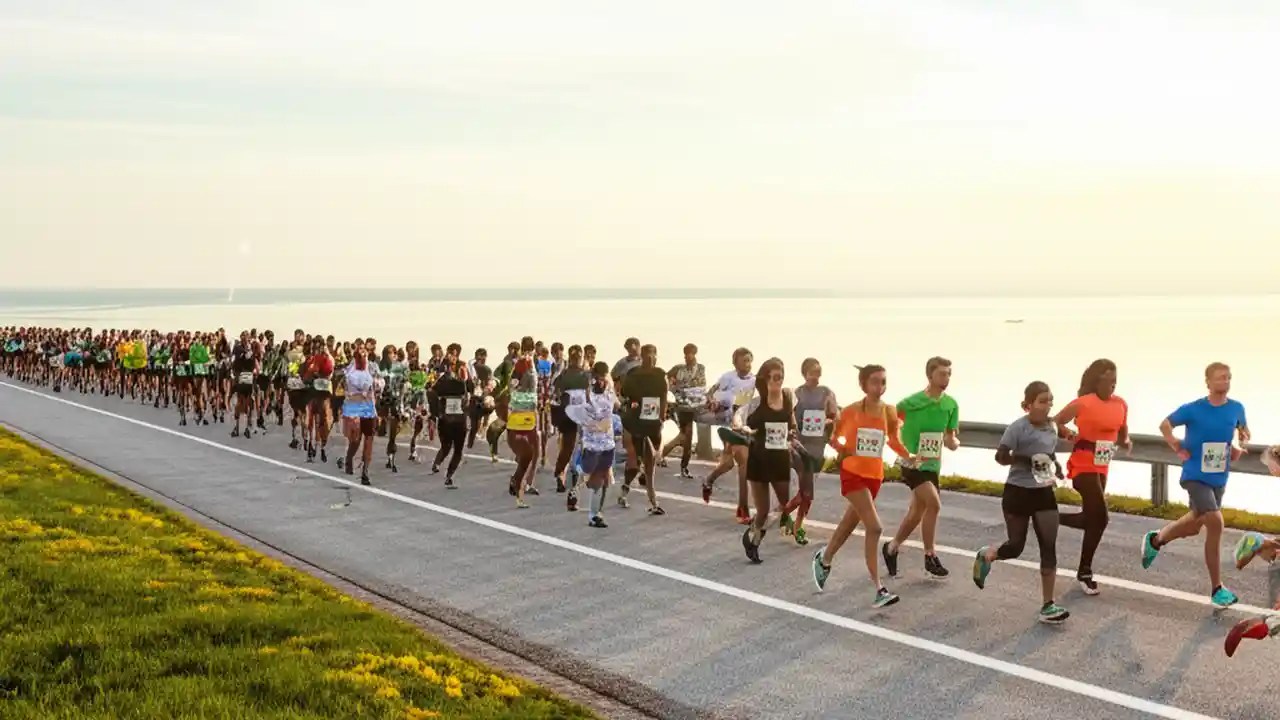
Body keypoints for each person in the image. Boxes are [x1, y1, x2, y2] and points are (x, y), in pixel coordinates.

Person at [1141, 362, 1250, 608]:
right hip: (1194, 474)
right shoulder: (1193, 409)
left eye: (1228, 377)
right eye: (1220, 378)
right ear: (1208, 382)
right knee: (1215, 521)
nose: (1225, 381)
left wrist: (1239, 443)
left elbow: (1243, 430)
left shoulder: (1236, 408)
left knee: (1194, 525)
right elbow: (1165, 424)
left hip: (1219, 476)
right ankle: (1217, 589)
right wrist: (1175, 443)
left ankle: (1156, 540)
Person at [811, 364, 914, 608]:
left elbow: (893, 441)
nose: (880, 386)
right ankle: (879, 589)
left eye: (883, 381)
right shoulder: (852, 411)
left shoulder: (889, 411)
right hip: (852, 474)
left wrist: (910, 456)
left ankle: (824, 559)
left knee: (850, 523)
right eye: (875, 382)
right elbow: (834, 438)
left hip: (874, 476)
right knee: (875, 528)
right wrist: (845, 450)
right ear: (864, 385)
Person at [971, 381, 1070, 624]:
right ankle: (988, 555)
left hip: (1044, 492)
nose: (1047, 406)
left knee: (1049, 547)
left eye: (1050, 401)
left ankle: (1048, 605)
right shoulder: (1017, 428)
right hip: (1017, 492)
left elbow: (1049, 452)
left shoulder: (1052, 428)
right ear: (1028, 405)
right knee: (1016, 547)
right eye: (1042, 401)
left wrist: (1055, 467)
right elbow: (1000, 456)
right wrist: (1026, 460)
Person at [1053, 359, 1130, 595]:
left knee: (1090, 519)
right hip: (1083, 464)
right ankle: (1085, 572)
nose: (1112, 385)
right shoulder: (1083, 403)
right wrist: (1066, 432)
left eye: (1115, 380)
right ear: (1096, 381)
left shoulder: (1121, 404)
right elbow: (1056, 420)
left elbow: (1123, 429)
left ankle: (1049, 516)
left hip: (1102, 465)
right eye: (1108, 380)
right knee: (1101, 517)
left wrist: (1125, 441)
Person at [883, 356, 960, 579]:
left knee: (916, 513)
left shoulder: (951, 404)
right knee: (934, 504)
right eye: (942, 374)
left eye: (948, 374)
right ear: (930, 376)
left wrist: (952, 443)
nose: (946, 378)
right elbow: (890, 424)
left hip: (932, 465)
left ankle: (891, 548)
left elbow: (951, 437)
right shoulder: (910, 403)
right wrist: (900, 447)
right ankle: (930, 555)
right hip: (912, 462)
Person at [740, 358, 797, 563]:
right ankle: (753, 541)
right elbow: (738, 419)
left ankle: (755, 532)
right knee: (763, 510)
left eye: (780, 377)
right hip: (758, 459)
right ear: (765, 379)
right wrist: (744, 429)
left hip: (780, 458)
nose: (777, 381)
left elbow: (792, 423)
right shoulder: (756, 402)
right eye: (773, 377)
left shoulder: (789, 397)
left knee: (786, 504)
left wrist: (792, 434)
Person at [778, 357, 837, 546]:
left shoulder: (827, 392)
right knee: (807, 492)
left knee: (806, 492)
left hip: (818, 445)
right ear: (805, 373)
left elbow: (834, 416)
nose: (816, 376)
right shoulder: (797, 393)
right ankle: (797, 526)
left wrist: (826, 422)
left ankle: (786, 513)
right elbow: (789, 418)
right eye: (812, 372)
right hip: (800, 446)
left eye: (818, 372)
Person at [565, 362, 620, 528]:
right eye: (599, 379)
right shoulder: (584, 396)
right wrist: (588, 424)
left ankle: (595, 514)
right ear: (593, 379)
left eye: (604, 379)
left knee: (602, 480)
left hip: (608, 445)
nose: (602, 383)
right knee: (588, 474)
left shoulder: (610, 395)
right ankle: (575, 481)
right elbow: (574, 413)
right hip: (591, 445)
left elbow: (617, 406)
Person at [618, 344, 668, 515]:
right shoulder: (633, 374)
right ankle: (646, 498)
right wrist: (634, 406)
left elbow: (664, 397)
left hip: (653, 420)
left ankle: (645, 497)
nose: (650, 359)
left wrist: (662, 417)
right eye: (647, 355)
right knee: (637, 460)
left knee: (650, 460)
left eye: (653, 355)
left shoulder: (661, 375)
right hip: (635, 420)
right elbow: (625, 394)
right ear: (642, 357)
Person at [340, 345, 378, 485]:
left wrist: (378, 385)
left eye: (364, 356)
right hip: (354, 407)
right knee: (355, 439)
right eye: (359, 357)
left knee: (369, 438)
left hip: (368, 407)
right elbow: (346, 387)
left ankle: (365, 471)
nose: (362, 359)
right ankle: (349, 458)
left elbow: (380, 383)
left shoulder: (373, 369)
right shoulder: (350, 372)